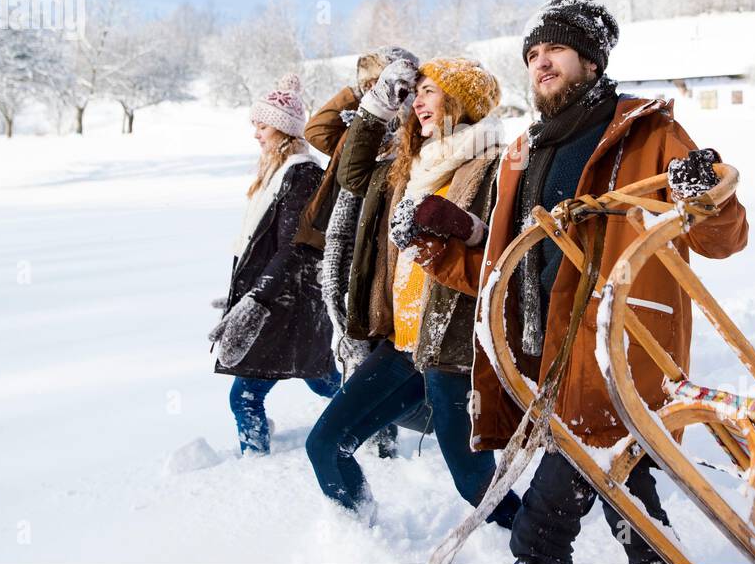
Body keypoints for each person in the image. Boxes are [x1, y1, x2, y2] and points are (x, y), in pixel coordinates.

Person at [408, 0, 750, 564]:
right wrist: (433, 253)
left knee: (539, 536)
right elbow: (505, 272)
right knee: (635, 516)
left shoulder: (647, 133)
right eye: (533, 51)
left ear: (591, 60)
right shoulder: (522, 152)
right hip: (545, 369)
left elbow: (722, 241)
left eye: (558, 48)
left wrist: (706, 195)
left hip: (616, 359)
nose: (542, 61)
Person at [304, 56, 521, 529]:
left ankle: (535, 543)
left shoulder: (493, 166)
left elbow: (508, 255)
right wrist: (378, 104)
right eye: (416, 91)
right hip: (402, 344)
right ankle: (358, 539)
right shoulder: (410, 168)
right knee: (324, 444)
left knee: (473, 483)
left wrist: (466, 227)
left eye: (430, 91)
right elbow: (351, 172)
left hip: (452, 348)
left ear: (460, 102)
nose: (418, 101)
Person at [209, 73, 341, 455]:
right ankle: (373, 417)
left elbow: (295, 249)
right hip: (285, 303)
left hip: (286, 306)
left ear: (283, 131)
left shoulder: (300, 174)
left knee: (245, 395)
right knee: (321, 378)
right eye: (255, 125)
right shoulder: (277, 174)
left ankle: (255, 464)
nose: (256, 134)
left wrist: (257, 298)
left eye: (262, 125)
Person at [299, 47, 419, 457]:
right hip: (341, 236)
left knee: (370, 336)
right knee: (349, 338)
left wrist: (385, 108)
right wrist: (356, 94)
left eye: (378, 81)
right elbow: (315, 130)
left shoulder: (398, 131)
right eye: (366, 82)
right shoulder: (354, 126)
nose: (373, 89)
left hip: (374, 240)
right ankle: (366, 425)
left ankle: (379, 433)